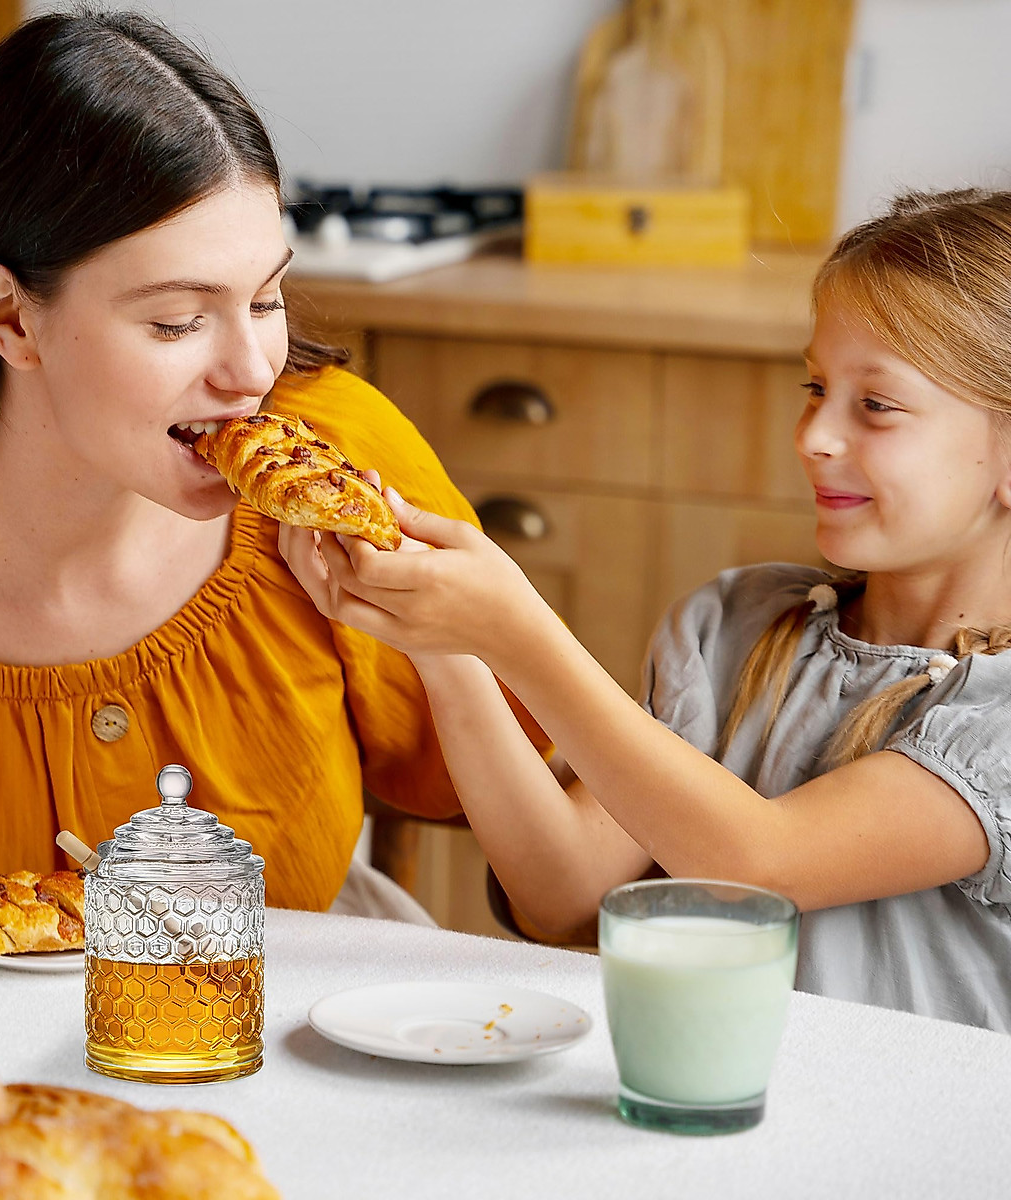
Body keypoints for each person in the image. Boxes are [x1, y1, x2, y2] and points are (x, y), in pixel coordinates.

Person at [0, 9, 545, 911]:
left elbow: (561, 849)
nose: (251, 373)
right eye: (177, 322)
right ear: (9, 318)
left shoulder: (334, 465)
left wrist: (453, 646)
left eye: (266, 301)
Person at [281, 188, 1011, 1030]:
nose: (813, 435)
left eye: (876, 405)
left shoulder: (993, 717)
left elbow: (760, 863)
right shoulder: (733, 627)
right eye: (815, 386)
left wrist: (517, 632)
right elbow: (562, 896)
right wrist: (445, 646)